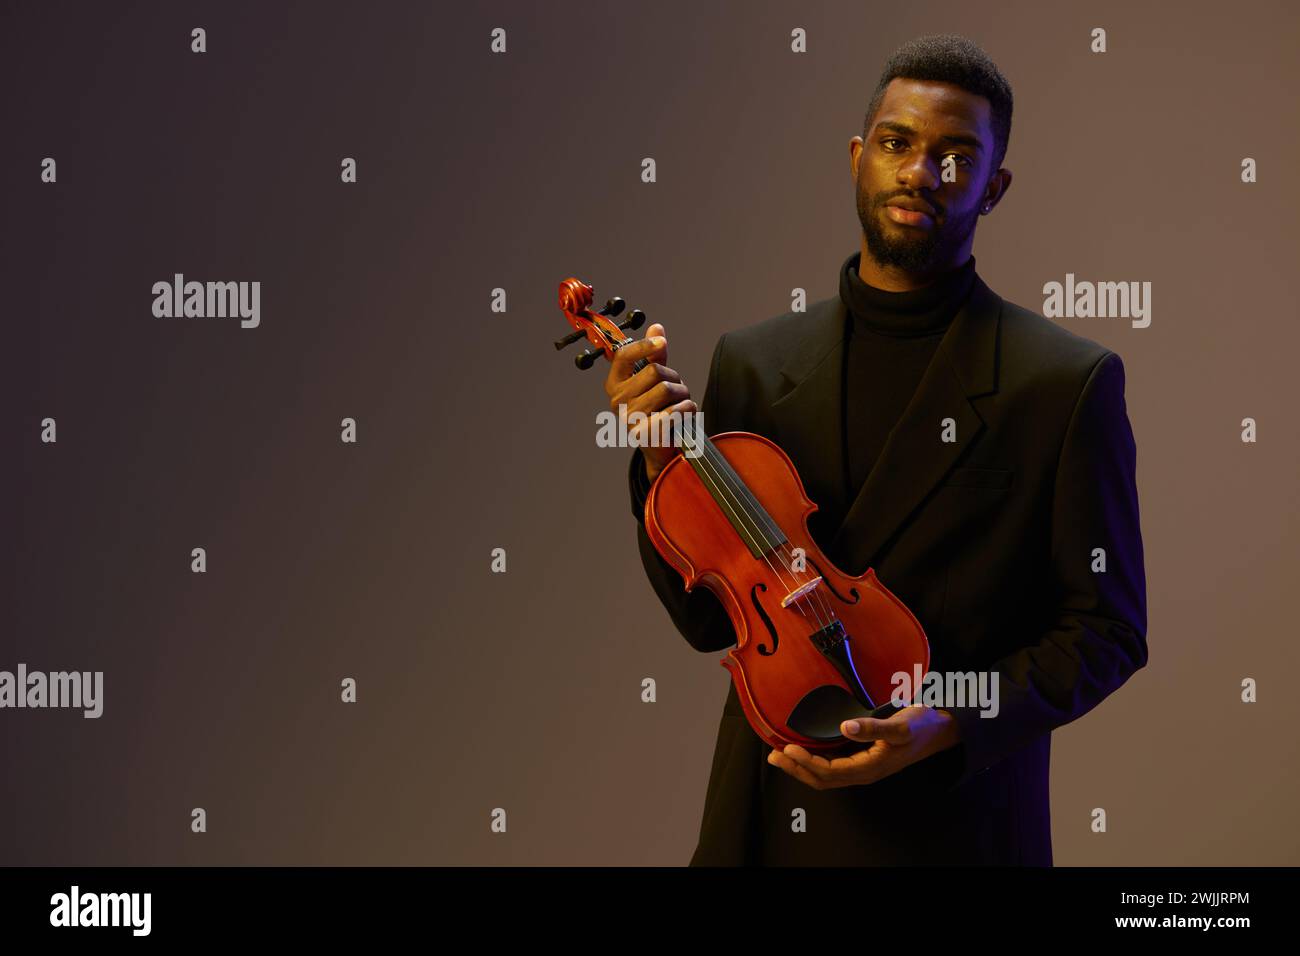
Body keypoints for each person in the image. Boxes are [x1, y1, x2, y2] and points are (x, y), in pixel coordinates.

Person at [603, 34, 1147, 866]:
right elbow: (708, 619)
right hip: (768, 818)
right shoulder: (754, 360)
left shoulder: (1064, 383)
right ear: (859, 158)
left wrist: (952, 719)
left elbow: (1105, 629)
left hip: (959, 827)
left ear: (993, 188)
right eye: (897, 143)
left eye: (956, 156)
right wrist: (657, 462)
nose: (920, 173)